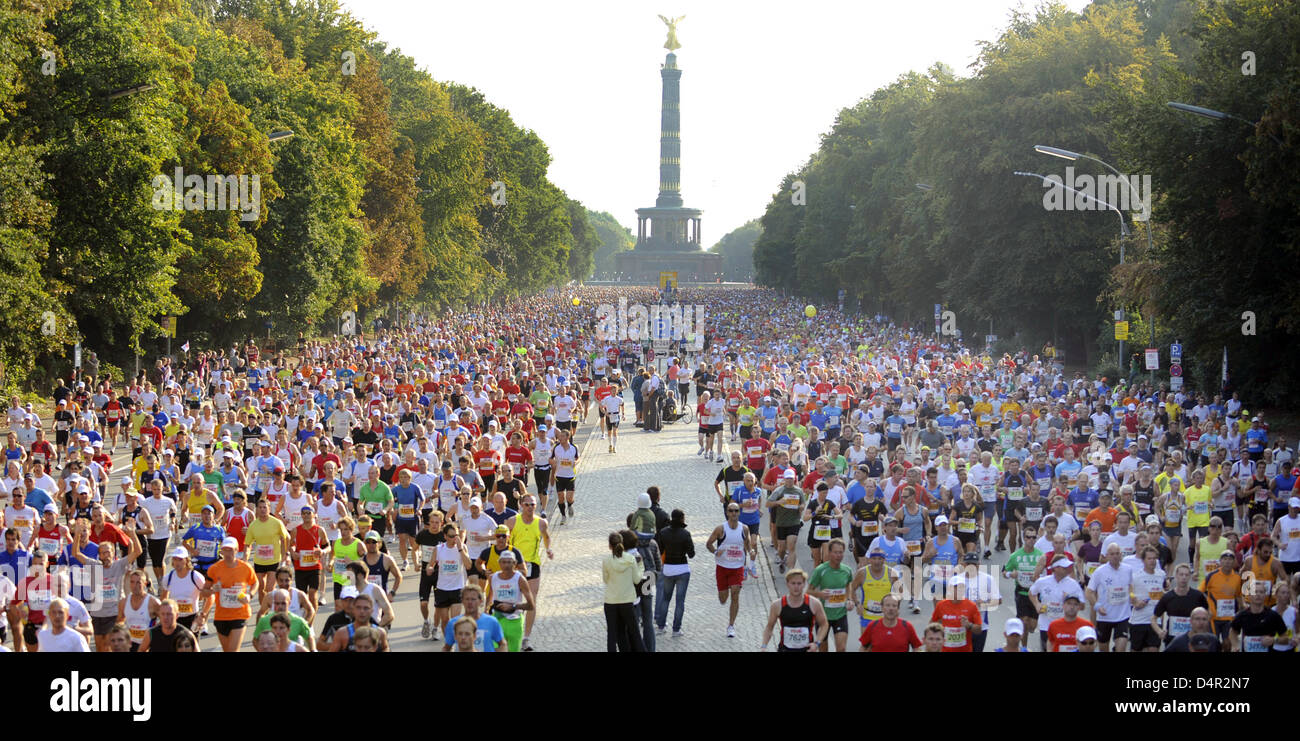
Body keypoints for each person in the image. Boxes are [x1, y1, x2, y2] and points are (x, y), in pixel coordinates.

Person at [202, 536, 258, 652]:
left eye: (231, 550)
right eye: (225, 550)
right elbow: (204, 592)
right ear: (221, 551)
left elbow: (255, 582)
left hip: (240, 614)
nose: (227, 553)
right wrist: (213, 590)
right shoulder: (214, 569)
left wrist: (250, 595)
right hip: (221, 616)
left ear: (237, 550)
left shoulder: (245, 567)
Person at [761, 569, 828, 652]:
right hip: (785, 649)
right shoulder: (777, 605)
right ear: (787, 584)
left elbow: (824, 624)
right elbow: (769, 627)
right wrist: (764, 646)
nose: (796, 587)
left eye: (799, 583)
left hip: (806, 650)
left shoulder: (814, 603)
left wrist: (817, 643)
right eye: (793, 583)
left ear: (804, 584)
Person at [807, 538, 854, 651]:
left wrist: (849, 599)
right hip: (823, 617)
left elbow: (848, 585)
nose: (839, 555)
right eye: (836, 552)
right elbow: (808, 591)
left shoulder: (847, 570)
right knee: (823, 649)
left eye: (841, 552)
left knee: (841, 648)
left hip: (840, 615)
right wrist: (820, 594)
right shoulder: (821, 570)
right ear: (829, 552)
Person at [602, 530, 645, 652]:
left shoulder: (606, 561)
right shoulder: (630, 559)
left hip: (611, 601)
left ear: (610, 546)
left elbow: (606, 580)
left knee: (613, 634)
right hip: (626, 600)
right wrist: (641, 567)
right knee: (634, 632)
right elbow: (637, 580)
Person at [486, 549, 533, 652]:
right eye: (503, 562)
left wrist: (513, 606)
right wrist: (486, 613)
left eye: (509, 562)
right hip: (498, 619)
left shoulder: (520, 579)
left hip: (515, 620)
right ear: (499, 563)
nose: (506, 565)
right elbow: (490, 598)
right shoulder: (492, 578)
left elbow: (531, 606)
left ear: (515, 564)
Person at [1229, 580, 1290, 652]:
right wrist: (1235, 645)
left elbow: (1286, 638)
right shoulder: (1242, 615)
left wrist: (1273, 640)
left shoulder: (1273, 615)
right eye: (1255, 592)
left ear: (1265, 595)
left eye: (1261, 592)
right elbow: (1233, 632)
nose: (1258, 594)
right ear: (1249, 596)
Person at [443, 583, 506, 652]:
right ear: (462, 601)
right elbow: (446, 647)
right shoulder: (453, 623)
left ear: (480, 601)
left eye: (473, 599)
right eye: (467, 599)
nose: (470, 602)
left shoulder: (491, 621)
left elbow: (503, 644)